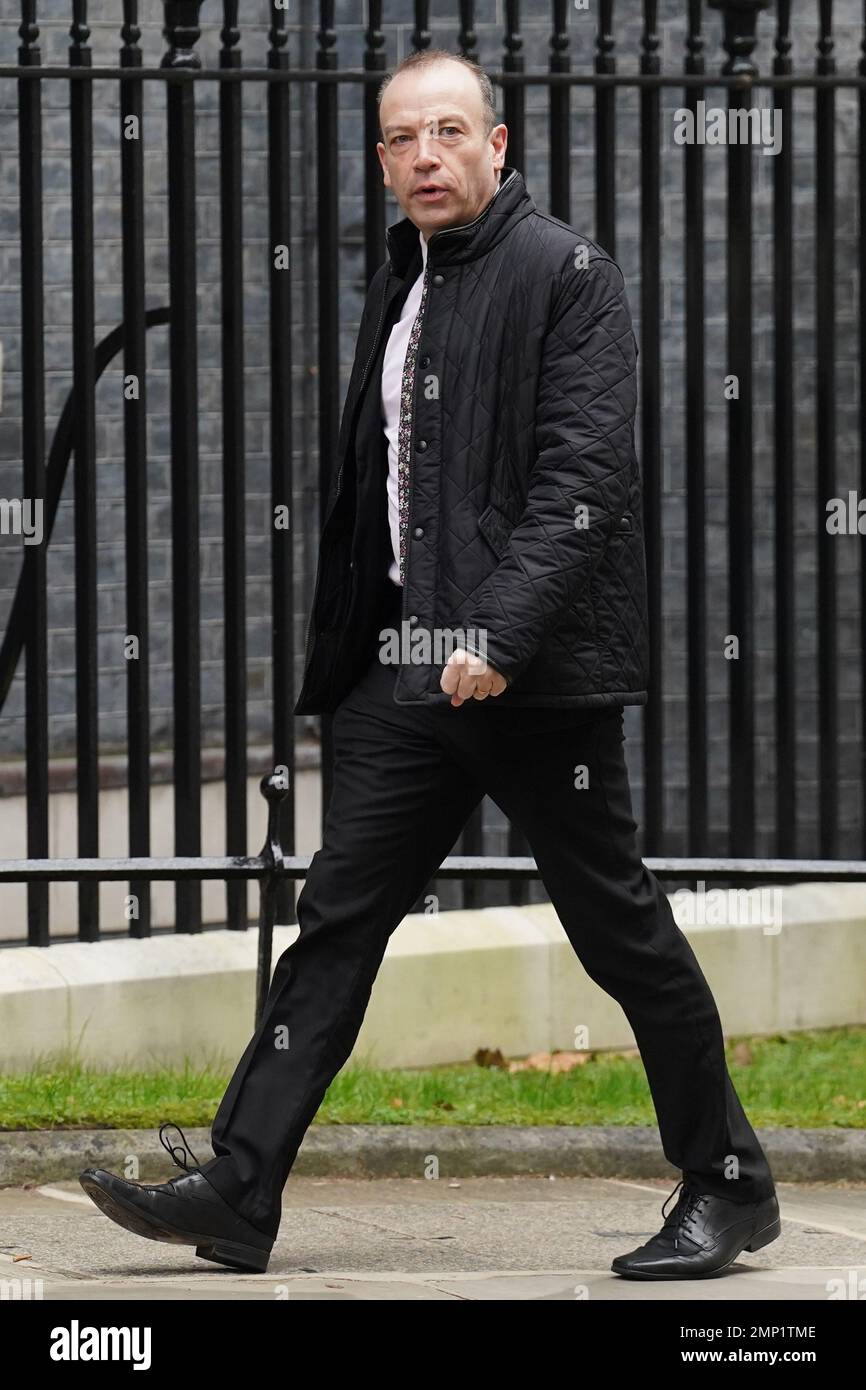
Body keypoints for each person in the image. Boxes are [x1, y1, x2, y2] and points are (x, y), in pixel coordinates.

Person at [80, 49, 779, 1280]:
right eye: (402, 139)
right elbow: (387, 483)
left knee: (615, 930)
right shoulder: (404, 280)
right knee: (335, 922)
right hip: (406, 677)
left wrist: (496, 639)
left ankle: (728, 1186)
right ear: (384, 159)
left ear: (496, 146)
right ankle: (239, 1189)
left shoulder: (566, 276)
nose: (424, 157)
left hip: (530, 680)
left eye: (448, 132)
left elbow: (582, 484)